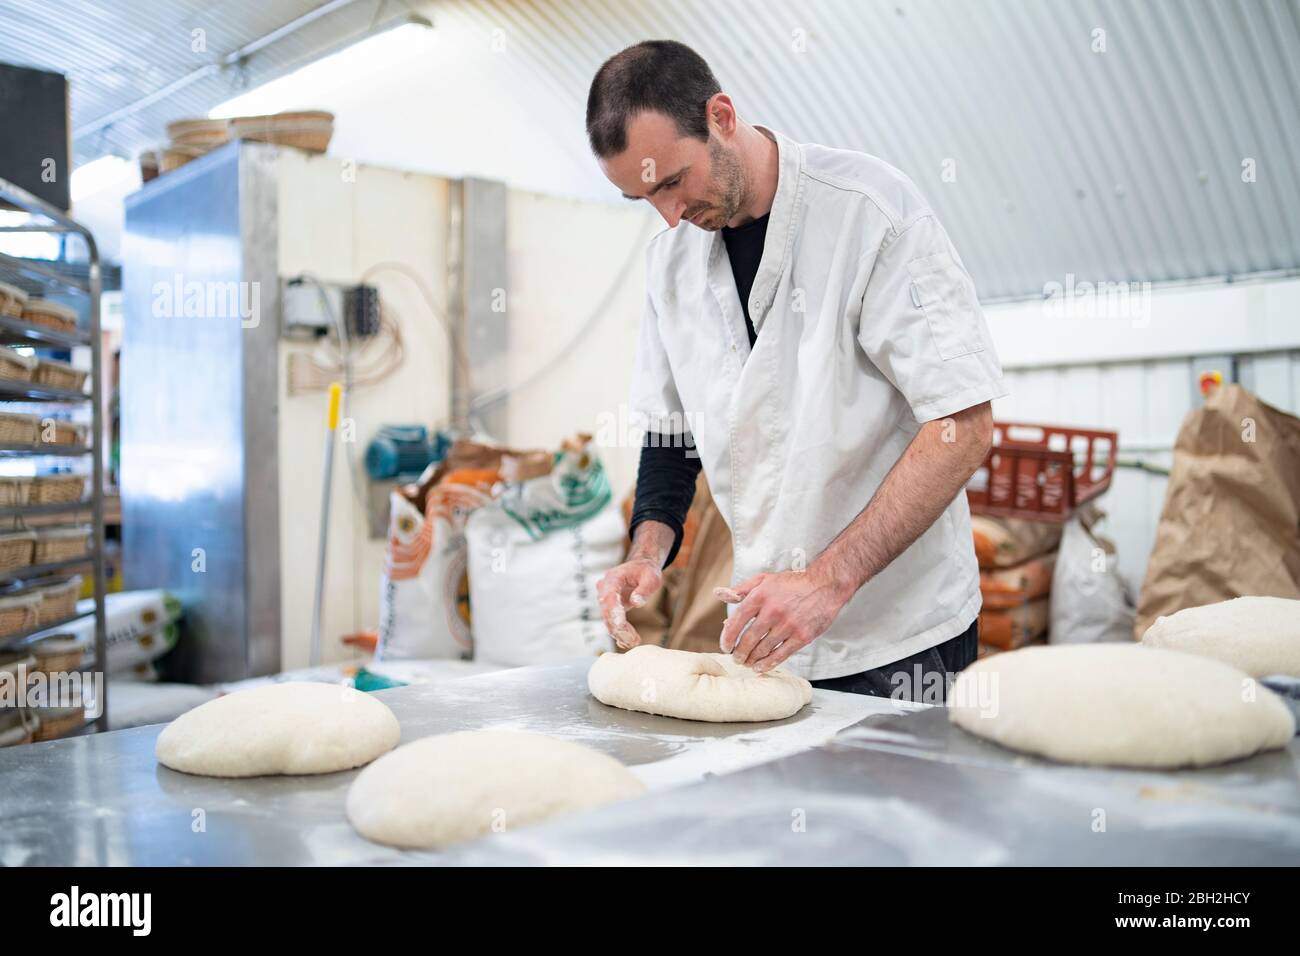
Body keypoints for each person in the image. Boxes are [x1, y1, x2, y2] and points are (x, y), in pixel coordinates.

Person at [588, 41, 1007, 701]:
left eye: (672, 181)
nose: (668, 214)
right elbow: (671, 440)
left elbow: (963, 424)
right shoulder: (670, 262)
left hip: (902, 637)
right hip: (769, 637)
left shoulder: (870, 212)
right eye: (642, 196)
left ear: (721, 117)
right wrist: (646, 554)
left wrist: (825, 583)